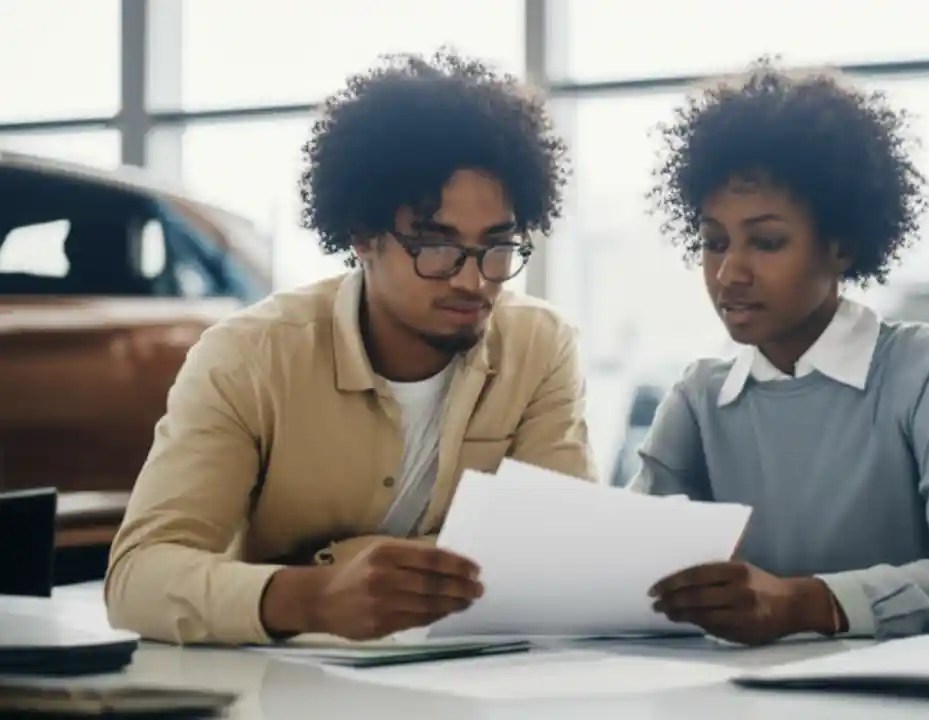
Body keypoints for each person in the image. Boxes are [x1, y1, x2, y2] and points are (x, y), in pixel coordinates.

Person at [106, 51, 595, 645]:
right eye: (435, 247)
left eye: (497, 246)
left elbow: (564, 552)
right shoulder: (248, 358)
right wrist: (309, 600)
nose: (475, 280)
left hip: (478, 683)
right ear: (362, 236)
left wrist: (343, 562)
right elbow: (138, 577)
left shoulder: (540, 348)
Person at [634, 61, 929, 645]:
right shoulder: (699, 398)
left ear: (841, 245)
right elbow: (629, 568)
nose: (729, 272)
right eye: (714, 242)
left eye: (766, 242)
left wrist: (805, 603)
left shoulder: (924, 368)